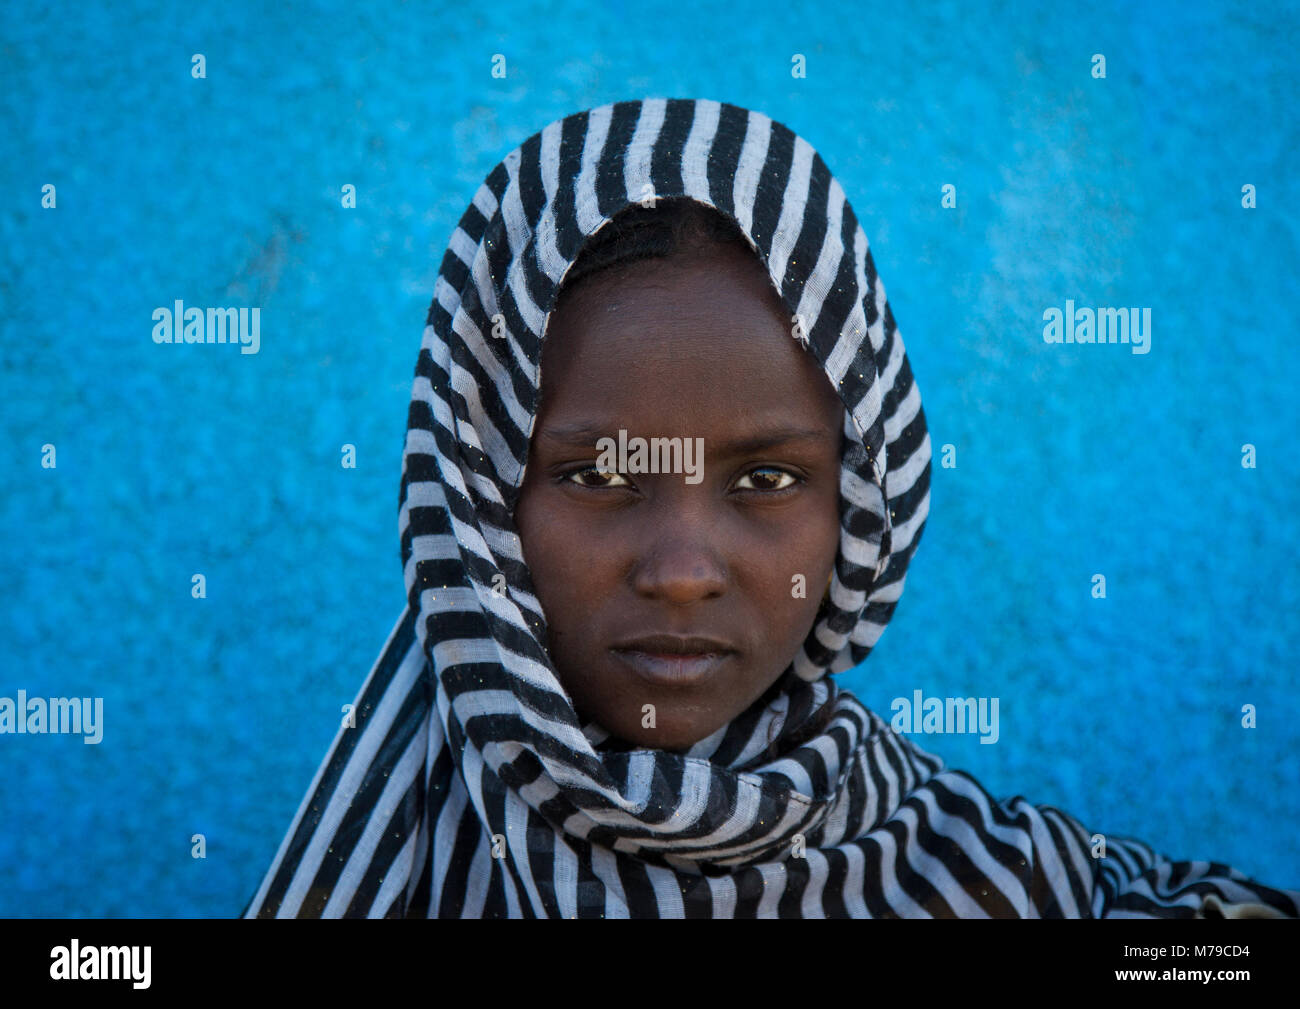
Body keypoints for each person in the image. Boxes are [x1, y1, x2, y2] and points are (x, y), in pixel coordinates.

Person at [242, 98, 1299, 918]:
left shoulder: (986, 884)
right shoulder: (397, 849)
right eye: (601, 475)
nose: (682, 569)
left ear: (861, 501)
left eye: (764, 480)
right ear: (477, 500)